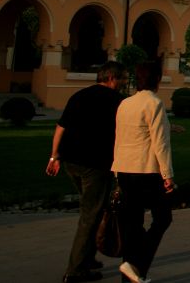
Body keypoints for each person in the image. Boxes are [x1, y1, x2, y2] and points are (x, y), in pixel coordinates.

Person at [46, 61, 126, 283]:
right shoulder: (116, 101)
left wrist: (54, 156)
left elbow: (61, 127)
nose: (124, 83)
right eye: (122, 79)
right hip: (95, 165)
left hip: (71, 162)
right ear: (112, 78)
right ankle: (75, 271)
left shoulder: (79, 96)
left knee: (93, 211)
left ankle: (88, 258)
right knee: (90, 216)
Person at [112, 60, 174, 283]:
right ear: (156, 79)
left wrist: (116, 170)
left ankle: (131, 275)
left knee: (132, 223)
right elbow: (160, 143)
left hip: (124, 169)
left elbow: (123, 136)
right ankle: (136, 264)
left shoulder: (125, 103)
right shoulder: (154, 103)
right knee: (163, 218)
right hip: (146, 171)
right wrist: (167, 174)